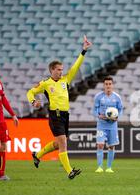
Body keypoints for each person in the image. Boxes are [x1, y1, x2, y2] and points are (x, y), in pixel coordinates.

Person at [26, 35, 92, 179]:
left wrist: (84, 51)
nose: (61, 72)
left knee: (58, 143)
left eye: (62, 69)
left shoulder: (65, 80)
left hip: (65, 115)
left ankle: (37, 155)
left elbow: (76, 66)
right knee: (63, 143)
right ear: (52, 70)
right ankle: (70, 171)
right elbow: (30, 92)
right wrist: (33, 102)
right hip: (54, 115)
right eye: (58, 70)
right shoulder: (45, 83)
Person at [93, 77, 123, 173]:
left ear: (112, 85)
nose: (108, 86)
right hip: (101, 125)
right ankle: (100, 167)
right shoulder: (98, 97)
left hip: (112, 125)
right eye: (106, 84)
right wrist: (98, 115)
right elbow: (94, 109)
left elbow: (120, 109)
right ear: (104, 85)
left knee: (111, 146)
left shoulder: (117, 97)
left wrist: (118, 117)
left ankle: (109, 167)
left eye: (110, 84)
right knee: (100, 145)